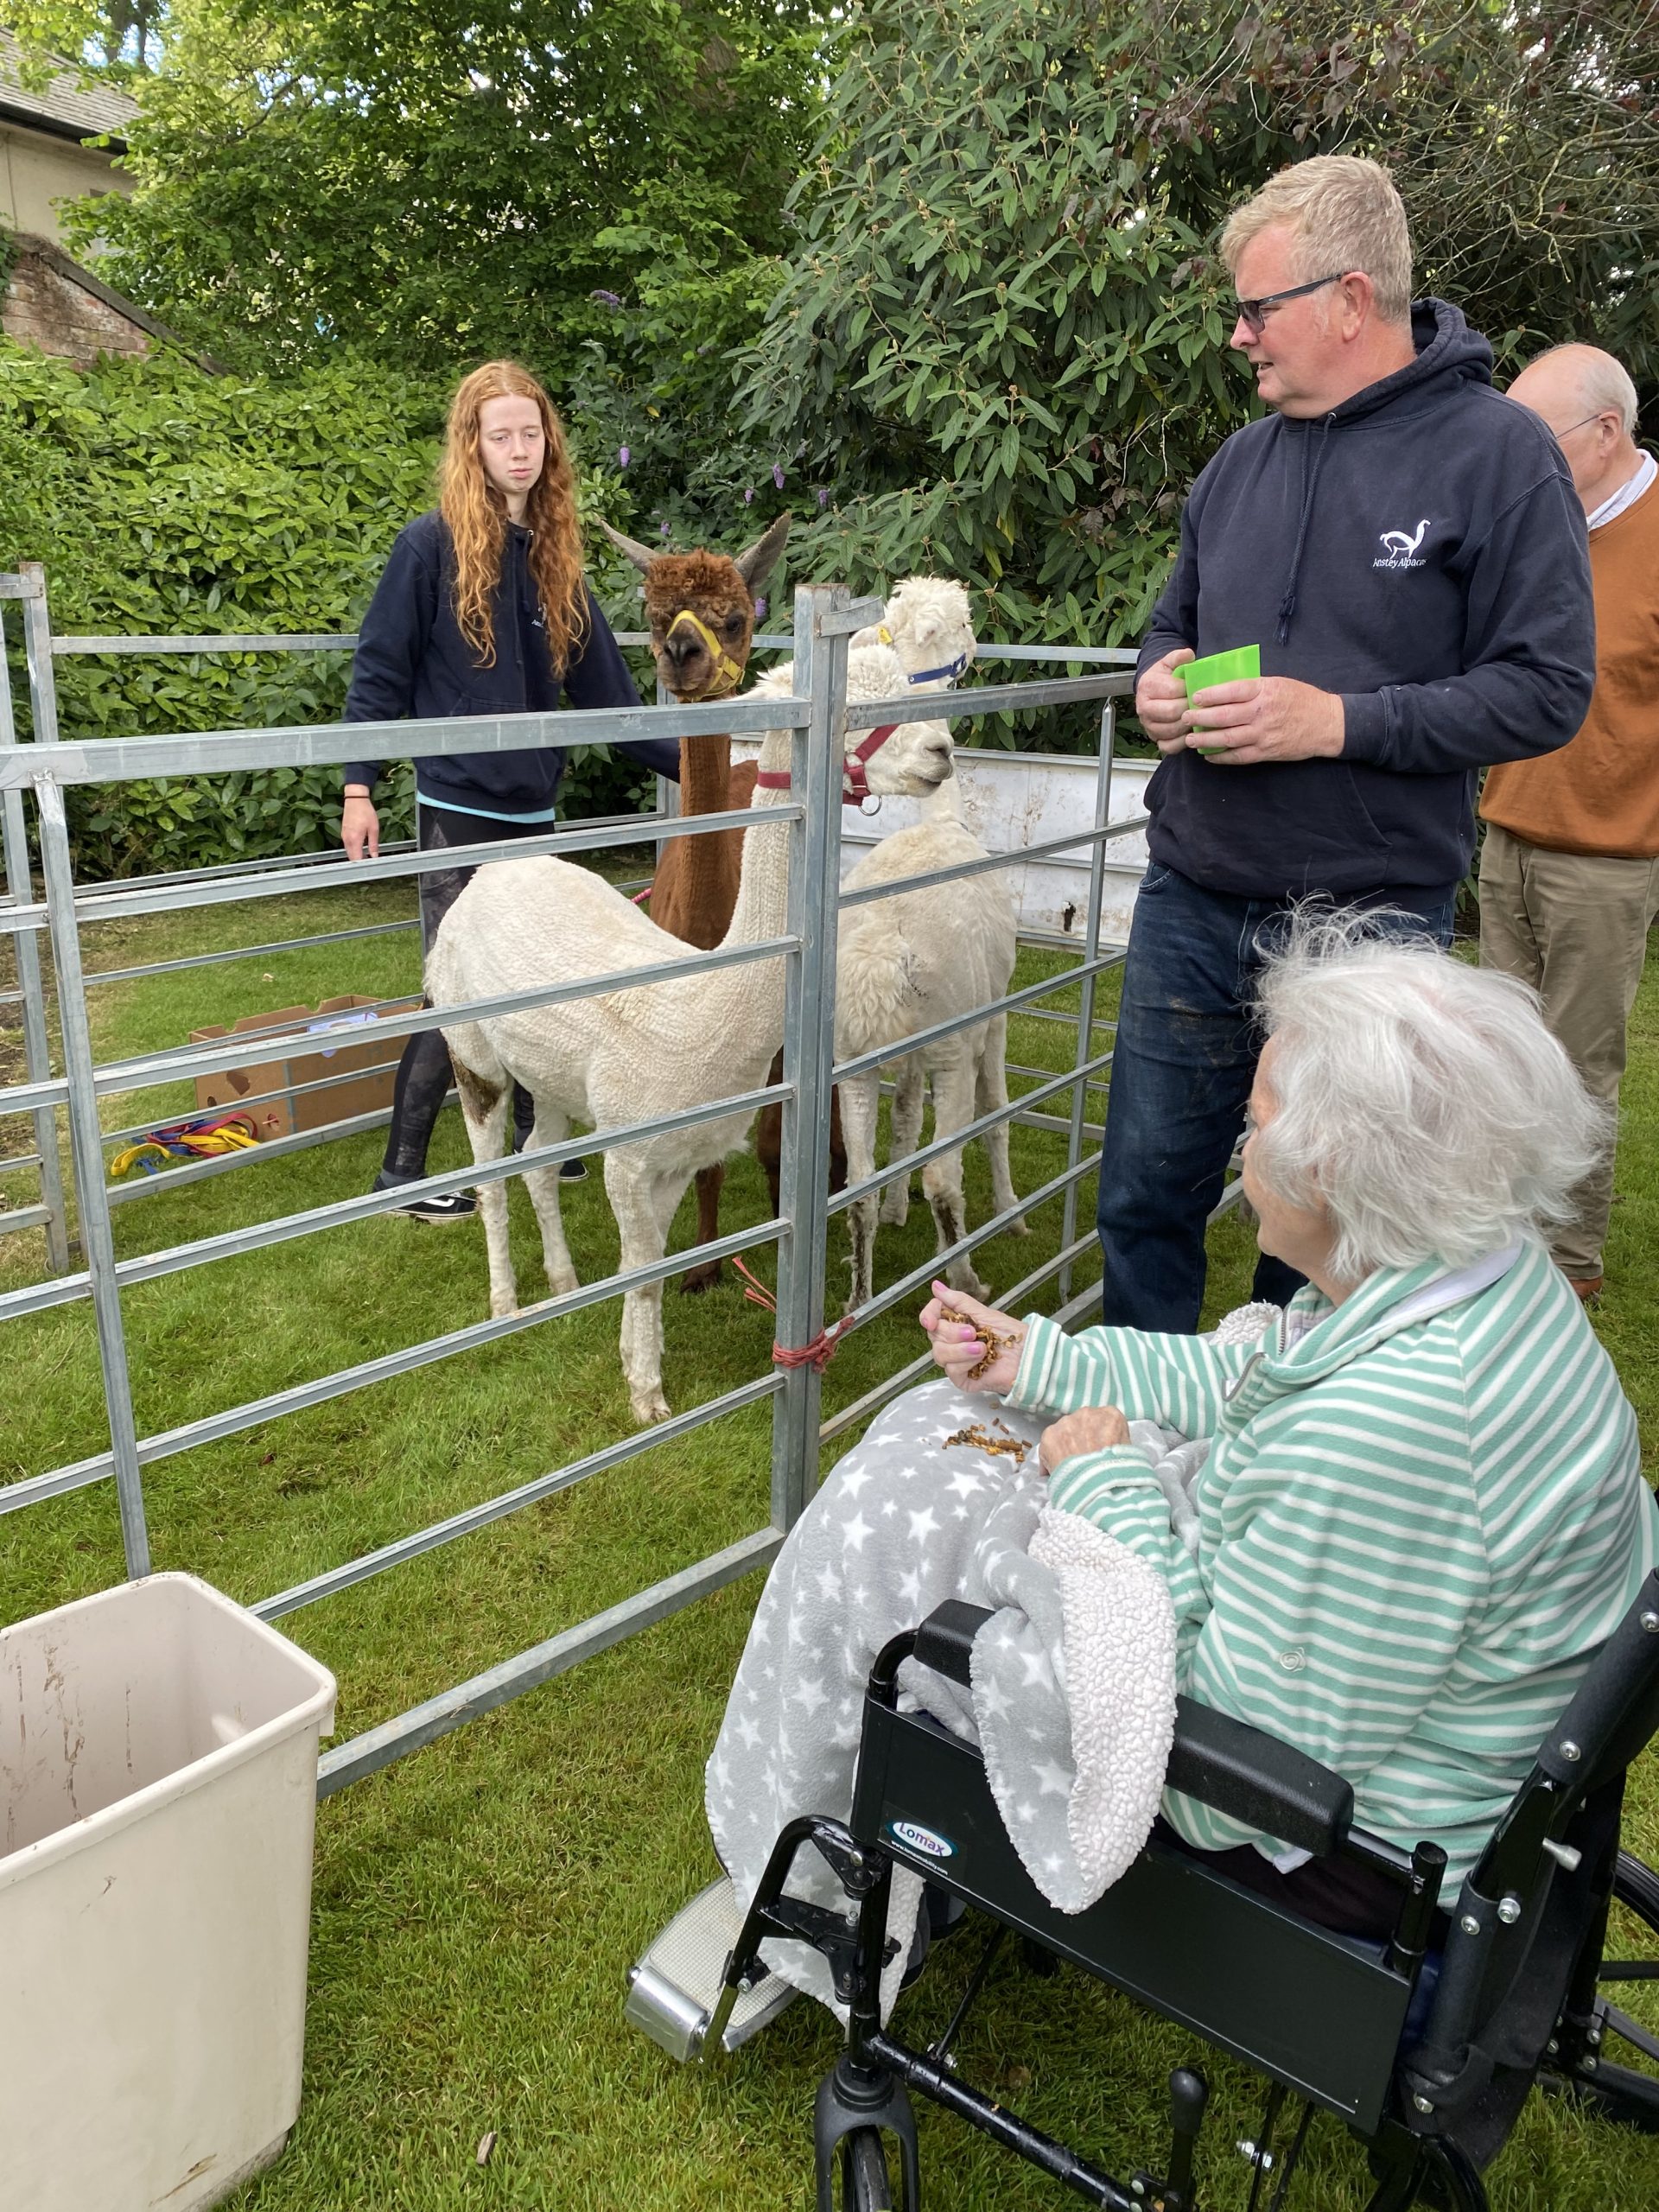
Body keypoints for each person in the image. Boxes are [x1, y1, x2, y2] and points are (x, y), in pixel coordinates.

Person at [708, 918, 1659, 1950]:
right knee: (954, 1430)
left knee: (891, 1545)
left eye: (1257, 1127)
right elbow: (1246, 1373)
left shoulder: (1388, 1434)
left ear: (1329, 1168)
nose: (1243, 1151)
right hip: (1428, 1744)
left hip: (1348, 1849)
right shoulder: (1479, 1273)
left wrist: (1108, 1486)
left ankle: (828, 1852)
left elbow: (1226, 1781)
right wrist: (1039, 1362)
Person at [1101, 154, 1596, 1332]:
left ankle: (1293, 1464)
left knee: (1335, 1228)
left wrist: (1339, 721)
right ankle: (1134, 1448)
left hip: (1371, 921)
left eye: (1256, 309)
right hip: (1196, 892)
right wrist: (1156, 683)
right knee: (1143, 1196)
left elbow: (1548, 690)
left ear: (1350, 300)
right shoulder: (1237, 466)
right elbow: (1172, 623)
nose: (1238, 338)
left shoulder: (1500, 457)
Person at [340, 359, 680, 1221]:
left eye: (532, 433)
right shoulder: (428, 550)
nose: (520, 449)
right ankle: (403, 1176)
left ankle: (541, 1145)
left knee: (532, 979)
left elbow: (615, 706)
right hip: (457, 807)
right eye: (502, 435)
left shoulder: (558, 563)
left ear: (548, 444)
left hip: (534, 813)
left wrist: (724, 769)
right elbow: (378, 673)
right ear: (474, 446)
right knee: (457, 989)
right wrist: (359, 788)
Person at [1478, 344, 1659, 1304]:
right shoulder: (1537, 524)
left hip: (1607, 864)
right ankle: (1491, 1247)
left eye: (1534, 438)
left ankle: (1566, 1270)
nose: (1520, 460)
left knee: (1578, 1071)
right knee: (1498, 1059)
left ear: (1605, 432)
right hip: (1507, 835)